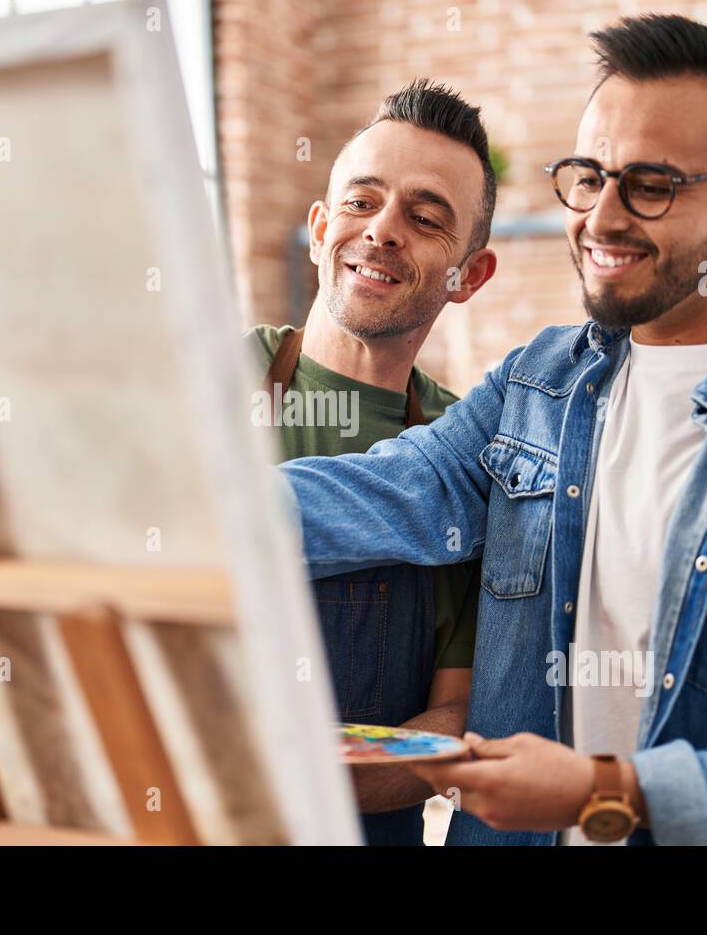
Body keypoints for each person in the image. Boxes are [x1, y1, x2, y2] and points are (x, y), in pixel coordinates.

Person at [279, 15, 707, 845]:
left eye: (652, 184)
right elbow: (387, 491)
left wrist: (609, 792)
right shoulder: (537, 386)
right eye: (589, 176)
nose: (603, 217)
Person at [247, 79, 497, 844]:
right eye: (361, 203)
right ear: (321, 227)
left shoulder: (473, 458)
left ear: (469, 277)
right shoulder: (205, 383)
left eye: (425, 219)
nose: (383, 231)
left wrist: (292, 781)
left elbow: (454, 717)